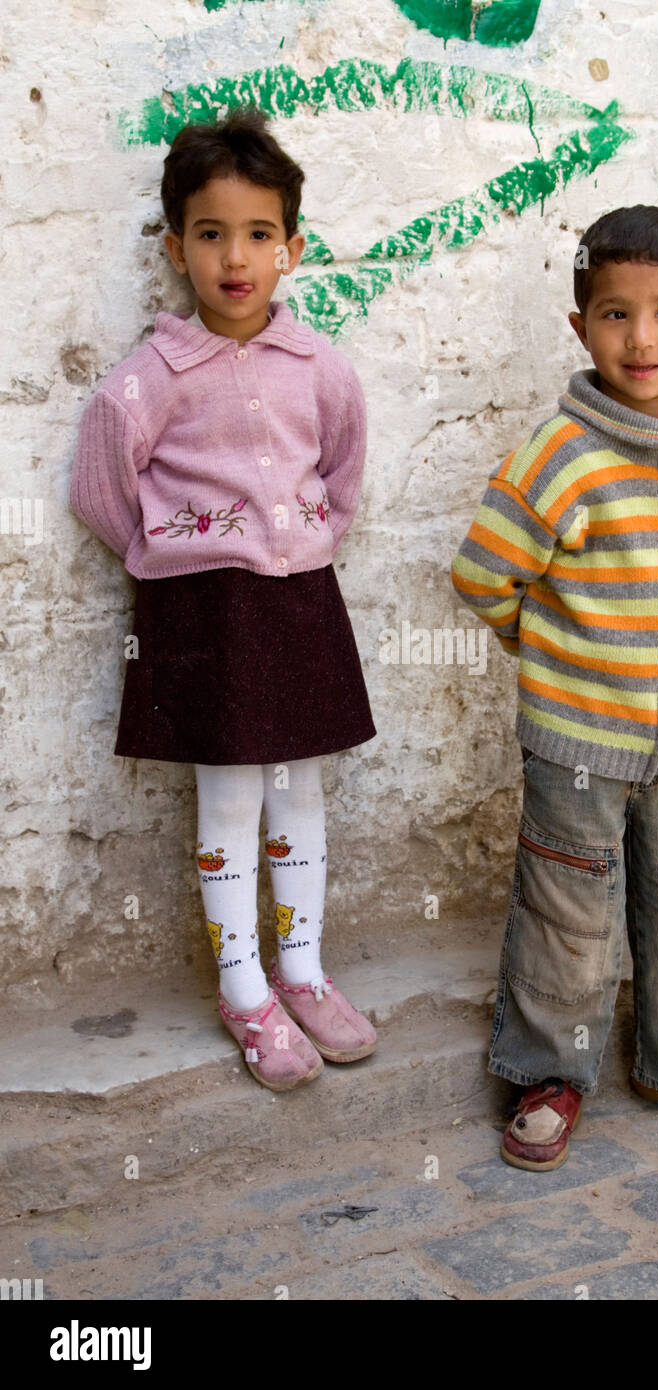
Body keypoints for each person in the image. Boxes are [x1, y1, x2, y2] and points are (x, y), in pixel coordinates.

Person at [451, 205, 658, 1170]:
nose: (642, 338)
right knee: (568, 906)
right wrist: (548, 646)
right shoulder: (559, 457)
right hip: (575, 739)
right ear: (581, 326)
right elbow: (484, 573)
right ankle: (548, 1073)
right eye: (615, 314)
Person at [69, 105, 377, 1093]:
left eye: (256, 234)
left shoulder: (320, 370)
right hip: (204, 614)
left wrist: (305, 538)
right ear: (175, 248)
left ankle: (302, 968)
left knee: (300, 790)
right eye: (209, 234)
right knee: (230, 793)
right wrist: (172, 556)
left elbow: (344, 469)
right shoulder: (149, 380)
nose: (233, 257)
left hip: (295, 602)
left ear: (292, 246)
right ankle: (241, 986)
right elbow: (101, 488)